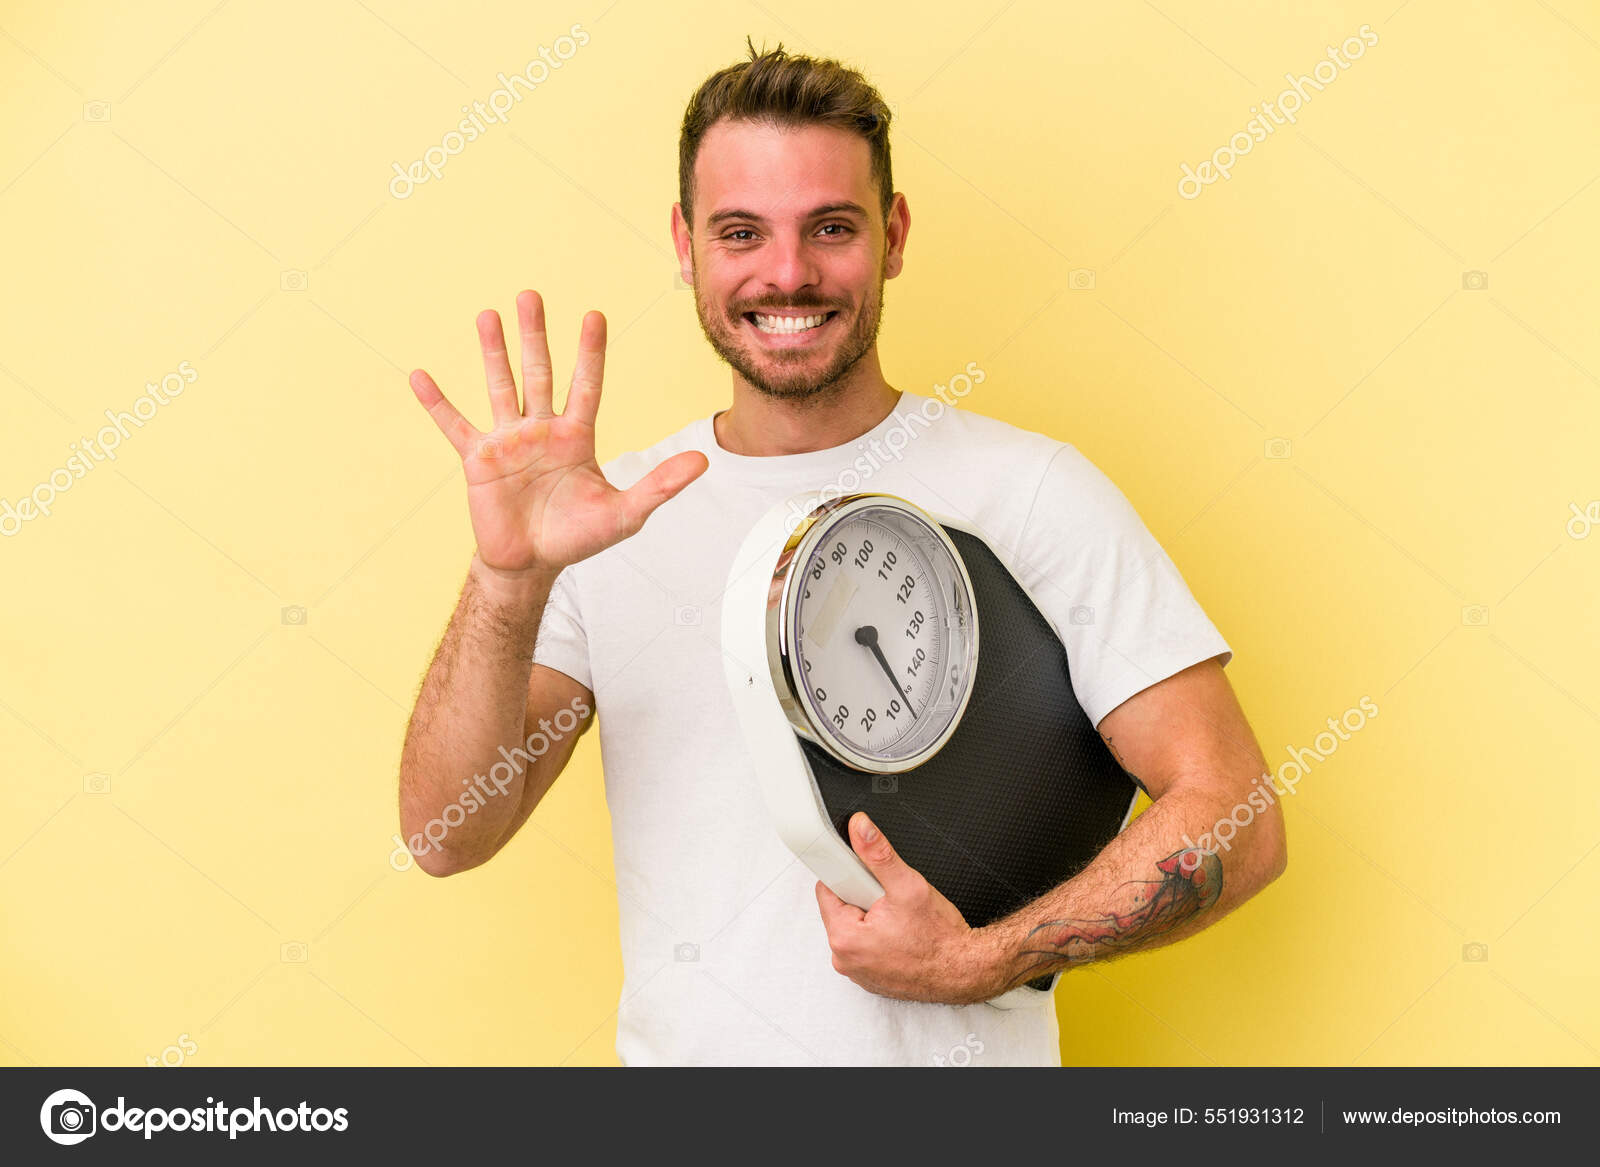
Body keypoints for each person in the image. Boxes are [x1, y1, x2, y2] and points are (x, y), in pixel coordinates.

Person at [399, 40, 1286, 1067]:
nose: (788, 273)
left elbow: (1237, 815)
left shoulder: (1032, 491)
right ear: (686, 244)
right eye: (742, 232)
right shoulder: (605, 520)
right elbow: (445, 837)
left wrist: (979, 960)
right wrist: (508, 580)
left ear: (893, 235)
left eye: (831, 227)